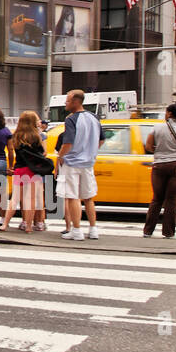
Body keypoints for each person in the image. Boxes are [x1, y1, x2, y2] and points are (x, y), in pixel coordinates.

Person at [143, 103, 176, 239]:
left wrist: (161, 151)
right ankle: (168, 232)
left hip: (159, 166)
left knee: (157, 199)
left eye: (166, 112)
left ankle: (148, 231)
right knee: (171, 200)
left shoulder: (157, 127)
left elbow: (148, 147)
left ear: (170, 113)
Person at [56, 88, 102, 241]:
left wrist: (60, 156)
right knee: (89, 197)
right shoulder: (94, 117)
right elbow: (101, 139)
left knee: (72, 196)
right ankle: (93, 229)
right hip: (88, 162)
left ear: (75, 102)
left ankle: (76, 230)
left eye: (68, 101)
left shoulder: (71, 119)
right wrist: (91, 151)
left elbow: (67, 142)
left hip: (72, 162)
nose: (65, 103)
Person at [2, 111, 49, 232]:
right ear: (33, 122)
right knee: (31, 200)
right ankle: (29, 226)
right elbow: (43, 153)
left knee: (15, 199)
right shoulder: (37, 137)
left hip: (19, 170)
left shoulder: (16, 136)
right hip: (33, 171)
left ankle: (5, 224)